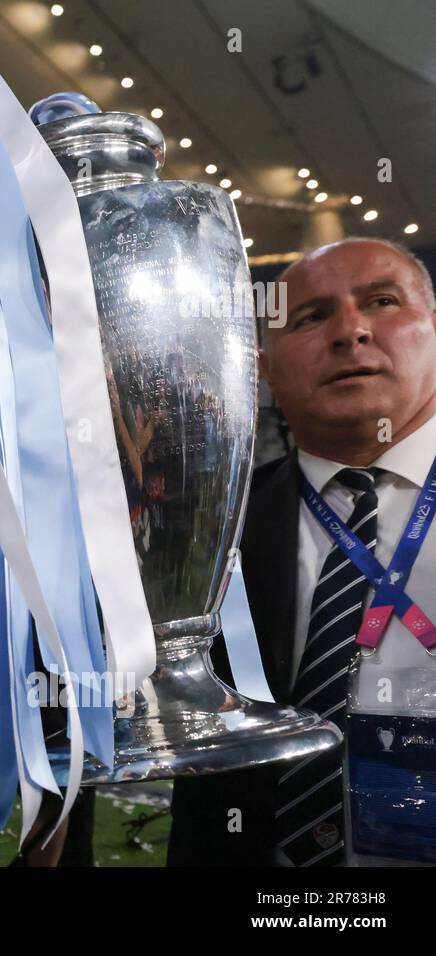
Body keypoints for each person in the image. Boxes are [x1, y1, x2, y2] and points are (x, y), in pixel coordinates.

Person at [169, 238, 436, 866]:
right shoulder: (199, 529)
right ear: (262, 365)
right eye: (311, 317)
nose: (351, 332)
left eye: (382, 301)